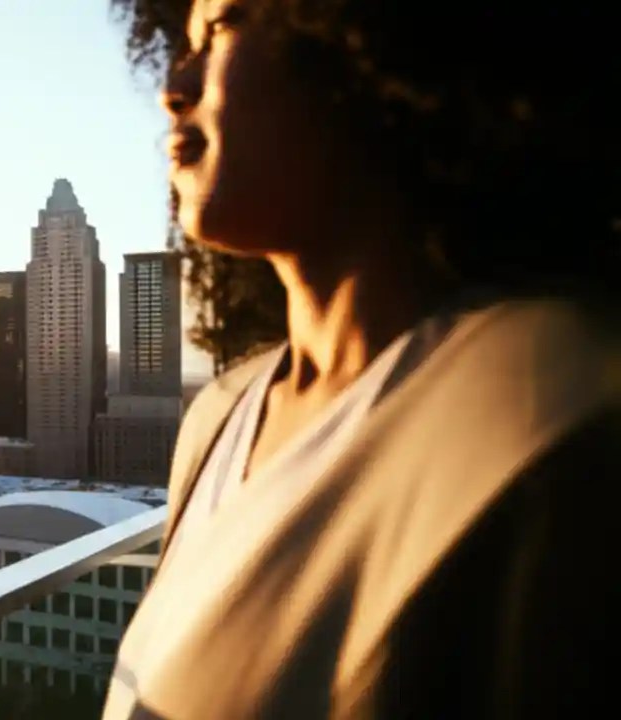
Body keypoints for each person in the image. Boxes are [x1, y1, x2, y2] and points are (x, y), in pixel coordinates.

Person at [102, 1, 619, 718]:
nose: (174, 86)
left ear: (363, 43)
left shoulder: (547, 414)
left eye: (221, 29)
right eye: (179, 45)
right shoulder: (221, 415)